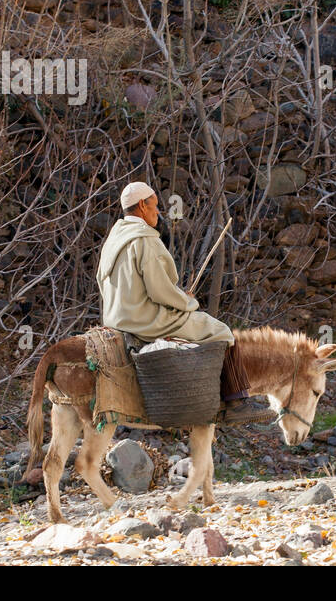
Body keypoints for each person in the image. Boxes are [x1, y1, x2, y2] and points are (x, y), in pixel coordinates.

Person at [97, 181, 267, 423]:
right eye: (155, 207)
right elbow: (160, 292)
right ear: (143, 206)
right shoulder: (145, 240)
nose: (158, 213)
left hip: (115, 319)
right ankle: (237, 403)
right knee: (221, 330)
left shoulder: (113, 241)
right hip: (144, 321)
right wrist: (188, 303)